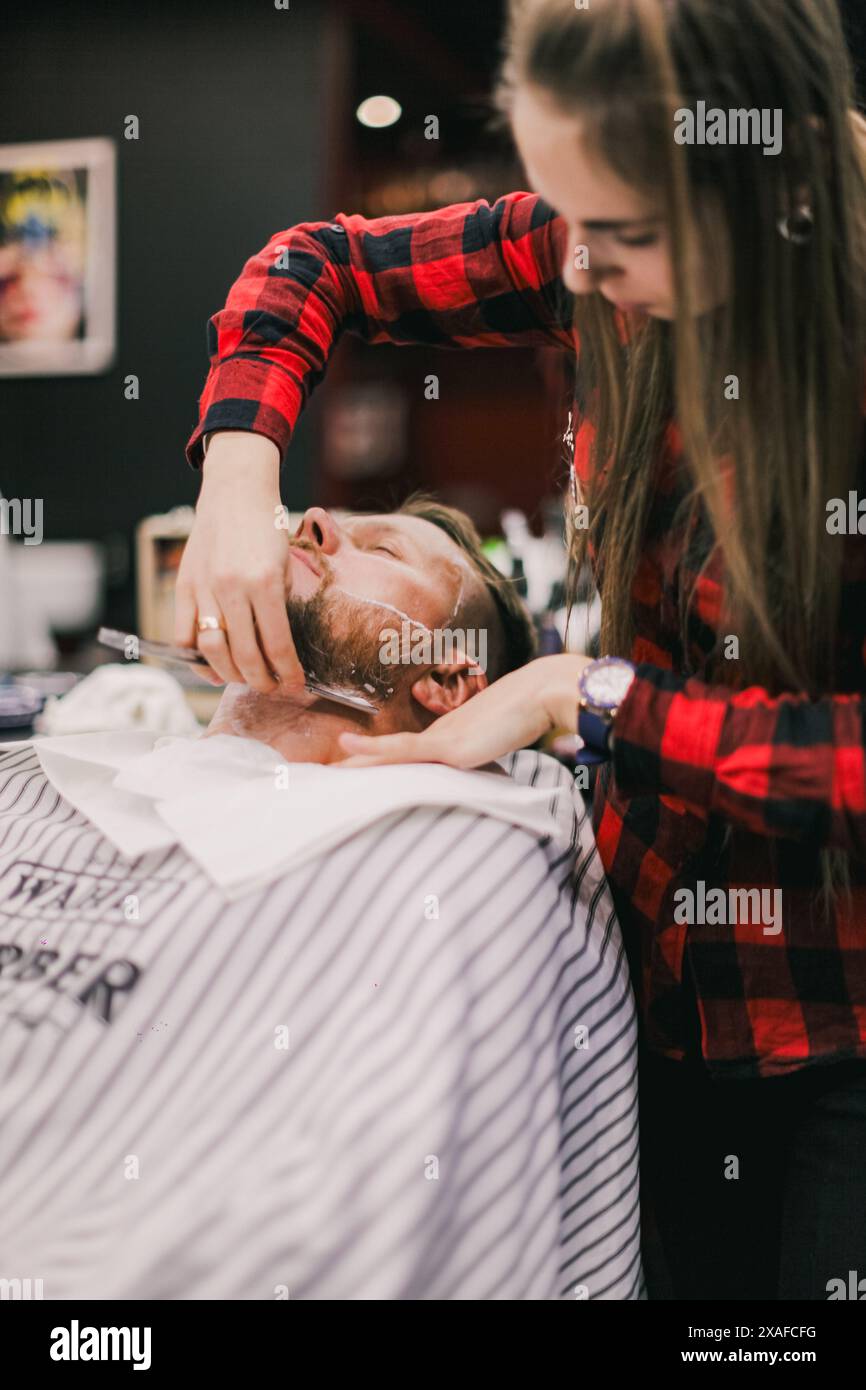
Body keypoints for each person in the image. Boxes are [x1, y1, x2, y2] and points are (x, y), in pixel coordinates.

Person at [177, 0, 866, 1300]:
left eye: (623, 236)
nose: (579, 274)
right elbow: (310, 265)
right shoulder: (593, 239)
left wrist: (588, 697)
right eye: (565, 216)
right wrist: (235, 466)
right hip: (658, 988)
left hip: (839, 1014)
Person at [0, 496, 642, 1301]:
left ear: (446, 677)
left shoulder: (455, 864)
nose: (310, 521)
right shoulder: (38, 778)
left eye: (380, 547)